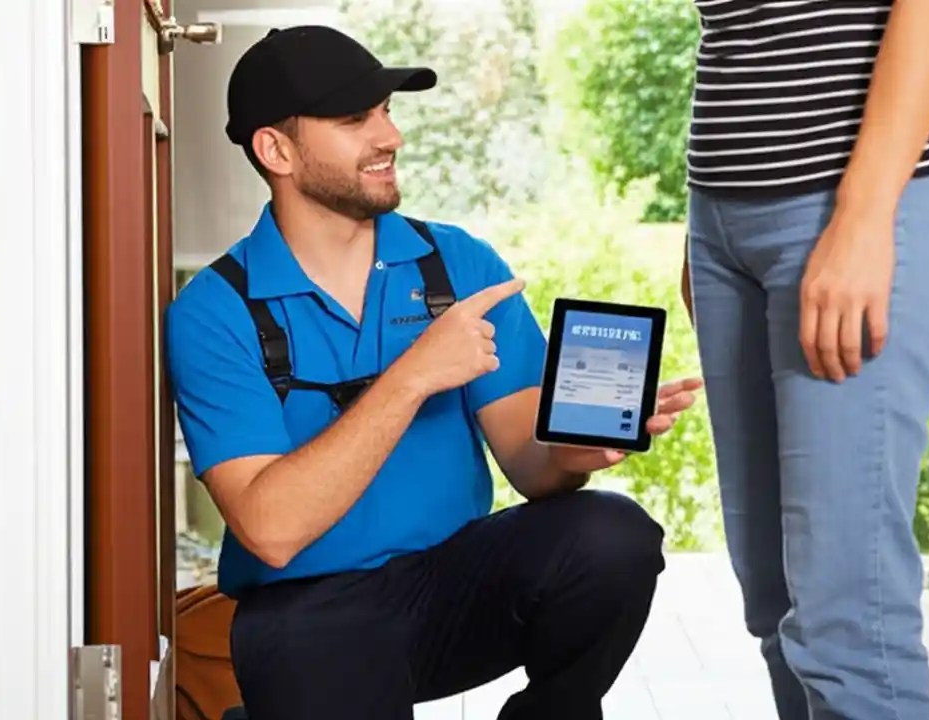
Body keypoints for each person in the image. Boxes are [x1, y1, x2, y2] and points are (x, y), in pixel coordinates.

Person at [164, 25, 703, 720]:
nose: (390, 137)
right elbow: (271, 529)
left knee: (612, 536)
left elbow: (532, 465)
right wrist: (413, 374)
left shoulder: (457, 265)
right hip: (307, 614)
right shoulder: (215, 311)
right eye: (355, 119)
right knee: (299, 652)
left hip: (455, 586)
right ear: (277, 150)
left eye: (387, 111)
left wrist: (573, 450)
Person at [679, 2, 929, 719]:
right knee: (774, 595)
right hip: (723, 212)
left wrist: (864, 219)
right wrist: (709, 229)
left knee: (846, 618)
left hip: (855, 199)